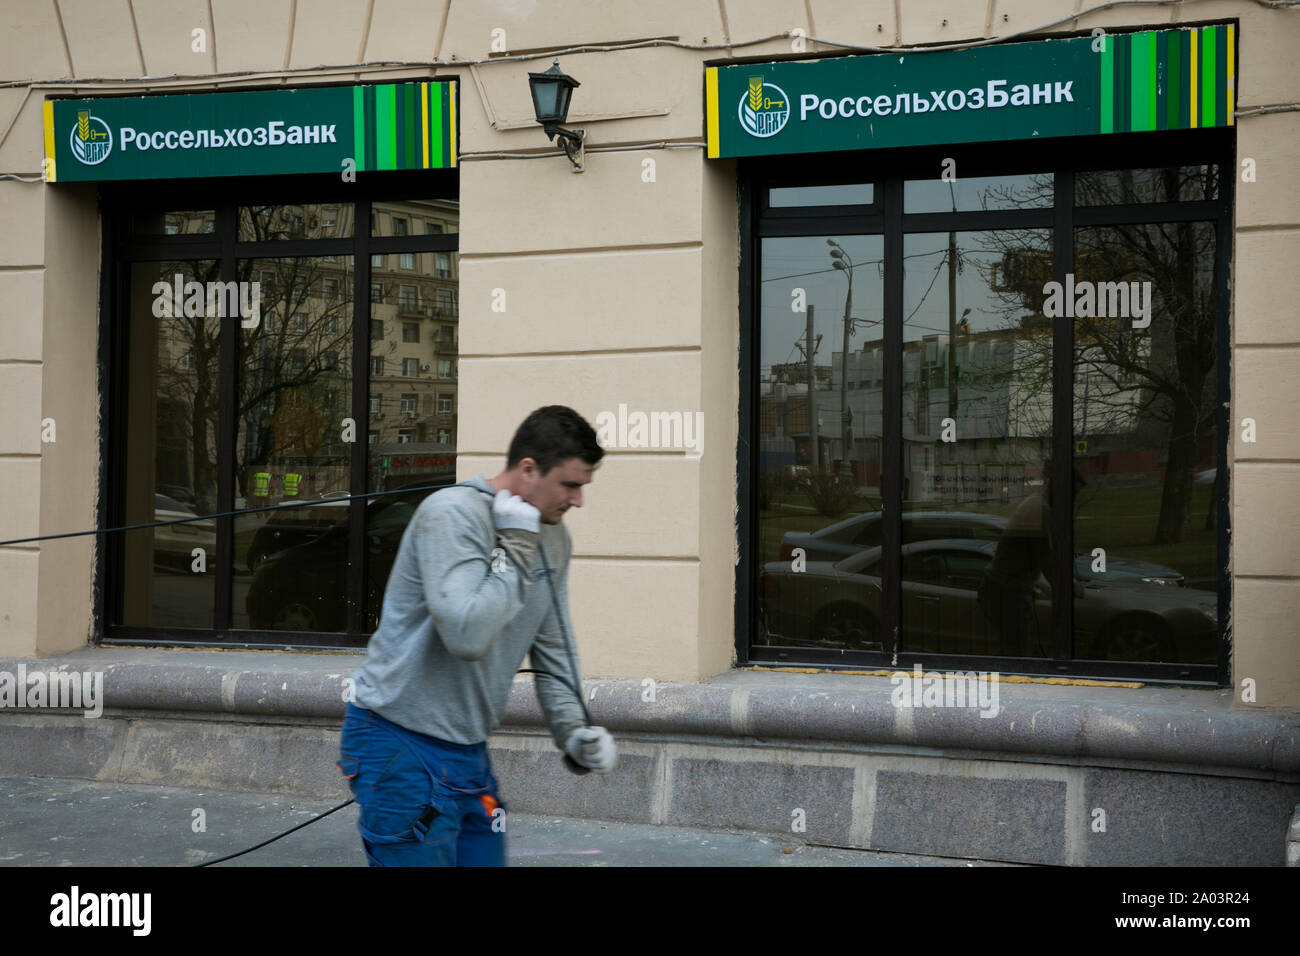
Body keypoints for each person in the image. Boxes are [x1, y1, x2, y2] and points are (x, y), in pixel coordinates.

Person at [337, 405, 616, 866]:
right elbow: (466, 635)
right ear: (528, 469)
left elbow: (553, 647)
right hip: (400, 746)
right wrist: (517, 546)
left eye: (582, 487)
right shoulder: (452, 514)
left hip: (468, 753)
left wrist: (573, 730)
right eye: (570, 485)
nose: (578, 501)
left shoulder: (553, 538)